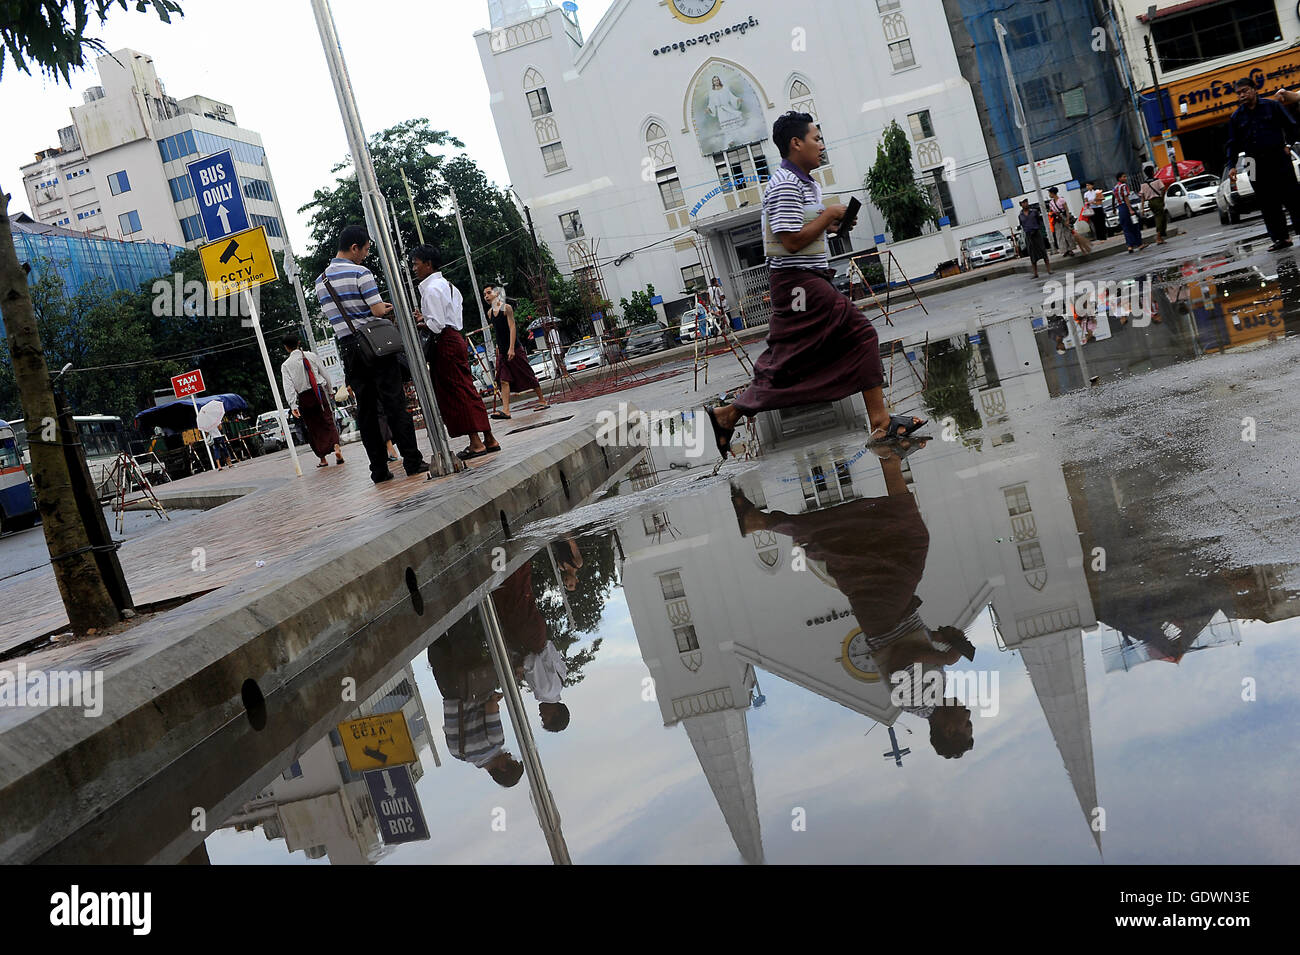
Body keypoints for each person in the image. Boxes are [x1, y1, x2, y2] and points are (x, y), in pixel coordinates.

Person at [730, 442, 975, 759]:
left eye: (966, 724)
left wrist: (945, 658)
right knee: (858, 544)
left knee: (912, 542)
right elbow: (915, 647)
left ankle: (891, 460)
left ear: (949, 730)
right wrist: (942, 638)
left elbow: (901, 656)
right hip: (895, 613)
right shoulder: (934, 694)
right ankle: (760, 521)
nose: (968, 714)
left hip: (885, 616)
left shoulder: (917, 703)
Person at [702, 111, 923, 458]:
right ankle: (880, 423)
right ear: (796, 143)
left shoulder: (804, 183)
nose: (822, 145)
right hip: (798, 284)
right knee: (860, 334)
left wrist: (831, 225)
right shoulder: (786, 186)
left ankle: (729, 414)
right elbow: (789, 242)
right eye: (816, 138)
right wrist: (829, 215)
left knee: (794, 361)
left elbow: (800, 234)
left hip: (804, 281)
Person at [314, 224, 427, 485]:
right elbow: (376, 310)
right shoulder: (360, 272)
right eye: (364, 250)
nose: (364, 255)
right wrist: (386, 307)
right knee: (395, 404)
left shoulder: (322, 281)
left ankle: (378, 470)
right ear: (354, 247)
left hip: (349, 349)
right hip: (374, 344)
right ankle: (412, 461)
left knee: (365, 412)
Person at [410, 245, 500, 461]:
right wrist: (427, 319)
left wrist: (423, 322)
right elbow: (447, 318)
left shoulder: (431, 290)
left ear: (428, 264)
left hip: (445, 343)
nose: (414, 268)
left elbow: (437, 324)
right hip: (456, 338)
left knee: (456, 392)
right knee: (466, 388)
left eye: (416, 264)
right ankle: (488, 437)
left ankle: (476, 442)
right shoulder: (449, 286)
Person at [426, 621, 525, 787]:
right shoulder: (458, 754)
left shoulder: (496, 742)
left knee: (459, 625)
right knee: (431, 632)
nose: (509, 754)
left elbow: (490, 707)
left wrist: (495, 699)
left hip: (472, 678)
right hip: (448, 685)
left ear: (502, 767)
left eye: (511, 759)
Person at [1225, 76, 1300, 251]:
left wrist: (1288, 145)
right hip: (1251, 161)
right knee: (1266, 202)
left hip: (1277, 155)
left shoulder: (1272, 106)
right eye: (1238, 93)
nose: (1242, 95)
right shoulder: (1236, 117)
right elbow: (1232, 143)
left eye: (1244, 91)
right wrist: (1232, 165)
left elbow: (1292, 126)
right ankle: (1281, 239)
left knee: (1292, 196)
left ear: (1253, 90)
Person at [484, 286, 549, 420]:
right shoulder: (490, 313)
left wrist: (512, 347)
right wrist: (498, 348)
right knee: (503, 379)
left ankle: (542, 400)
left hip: (514, 348)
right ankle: (506, 410)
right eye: (484, 294)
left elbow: (512, 327)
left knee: (527, 373)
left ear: (496, 293)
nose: (486, 296)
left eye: (489, 293)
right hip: (502, 351)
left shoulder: (506, 308)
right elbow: (497, 331)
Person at [280, 334, 344, 468]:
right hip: (319, 392)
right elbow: (324, 373)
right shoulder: (312, 356)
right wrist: (330, 390)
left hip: (304, 397)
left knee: (313, 427)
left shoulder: (286, 365)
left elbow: (288, 386)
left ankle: (323, 458)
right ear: (298, 343)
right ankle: (336, 447)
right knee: (328, 420)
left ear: (286, 348)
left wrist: (293, 404)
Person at [1018, 199, 1052, 278]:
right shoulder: (1020, 216)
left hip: (1037, 234)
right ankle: (1035, 273)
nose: (1025, 204)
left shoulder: (1034, 212)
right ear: (1021, 205)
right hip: (1029, 235)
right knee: (1032, 254)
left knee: (1043, 251)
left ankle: (1049, 270)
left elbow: (1038, 221)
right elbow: (1022, 225)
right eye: (1023, 203)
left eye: (1026, 202)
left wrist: (1037, 229)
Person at [1113, 172, 1144, 252]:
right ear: (1119, 178)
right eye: (1124, 177)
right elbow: (1126, 198)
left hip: (1120, 208)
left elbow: (1114, 198)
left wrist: (1114, 208)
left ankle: (1130, 245)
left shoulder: (1115, 187)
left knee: (1126, 227)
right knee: (1135, 225)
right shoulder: (1124, 186)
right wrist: (1130, 209)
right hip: (1126, 207)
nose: (1125, 178)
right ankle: (1139, 244)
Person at [1139, 163, 1169, 245]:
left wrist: (1142, 208)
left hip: (1150, 202)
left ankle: (1161, 237)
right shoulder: (1157, 180)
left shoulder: (1143, 184)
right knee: (1160, 218)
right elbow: (1163, 189)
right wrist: (1162, 199)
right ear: (1152, 172)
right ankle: (1158, 237)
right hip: (1157, 200)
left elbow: (1142, 196)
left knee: (1161, 217)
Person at [1046, 187, 1077, 257]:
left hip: (1064, 218)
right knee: (1059, 235)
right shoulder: (1051, 203)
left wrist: (1068, 219)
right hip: (1057, 220)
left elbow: (1067, 210)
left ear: (1053, 193)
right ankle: (1064, 250)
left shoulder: (1062, 200)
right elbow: (1051, 211)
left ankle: (1070, 249)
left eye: (1049, 193)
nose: (1049, 195)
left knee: (1067, 234)